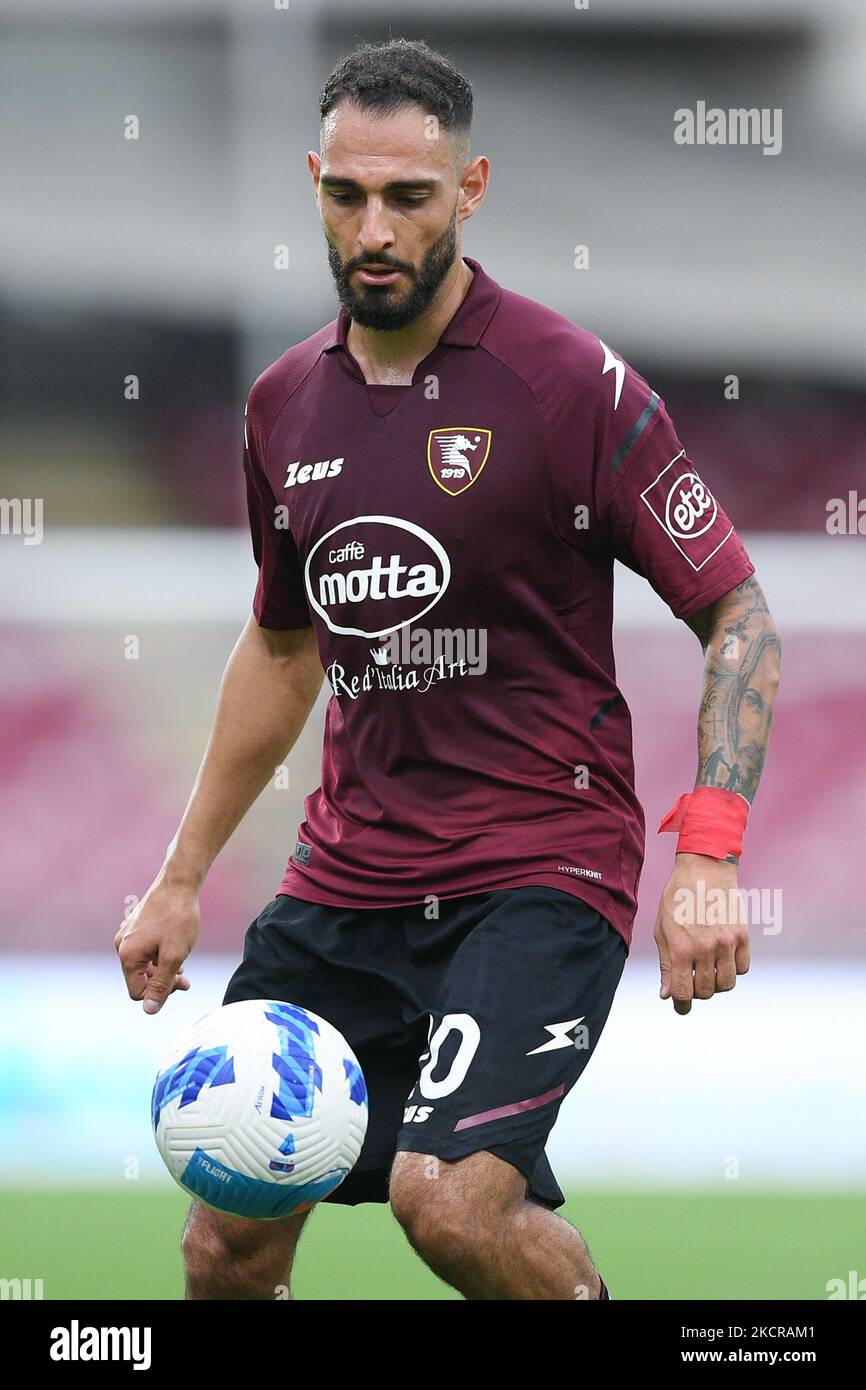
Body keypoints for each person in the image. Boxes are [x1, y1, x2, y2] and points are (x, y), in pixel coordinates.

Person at [116, 37, 781, 1301]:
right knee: (225, 1235)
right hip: (345, 882)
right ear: (313, 182)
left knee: (450, 1204)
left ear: (468, 191)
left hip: (537, 868)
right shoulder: (279, 408)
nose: (375, 227)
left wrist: (707, 848)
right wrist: (179, 875)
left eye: (408, 198)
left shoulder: (570, 386)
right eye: (346, 195)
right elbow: (279, 646)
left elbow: (738, 613)